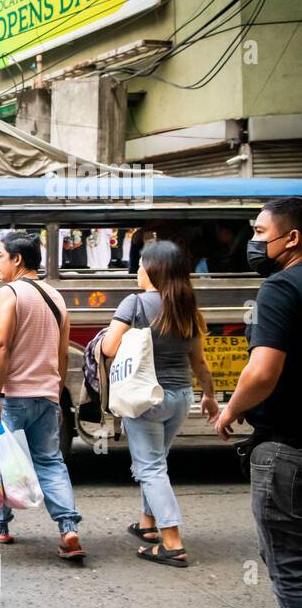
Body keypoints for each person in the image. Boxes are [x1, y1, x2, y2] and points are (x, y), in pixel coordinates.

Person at [215, 197, 302, 608]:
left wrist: (231, 411)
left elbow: (263, 371)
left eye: (260, 230)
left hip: (288, 446)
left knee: (287, 561)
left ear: (291, 238)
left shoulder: (281, 286)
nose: (254, 239)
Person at [101, 241, 219, 567]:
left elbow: (110, 348)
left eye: (141, 264)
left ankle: (172, 542)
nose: (137, 270)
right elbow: (200, 363)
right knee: (157, 462)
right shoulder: (188, 308)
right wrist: (209, 396)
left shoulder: (135, 304)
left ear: (153, 269)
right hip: (181, 397)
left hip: (146, 398)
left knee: (150, 467)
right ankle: (147, 525)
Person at [0, 232, 87, 560]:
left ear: (17, 260)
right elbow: (62, 355)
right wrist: (56, 394)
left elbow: (1, 346)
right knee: (50, 462)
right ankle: (68, 528)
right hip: (47, 396)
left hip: (11, 396)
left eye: (1, 257)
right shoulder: (56, 298)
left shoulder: (9, 293)